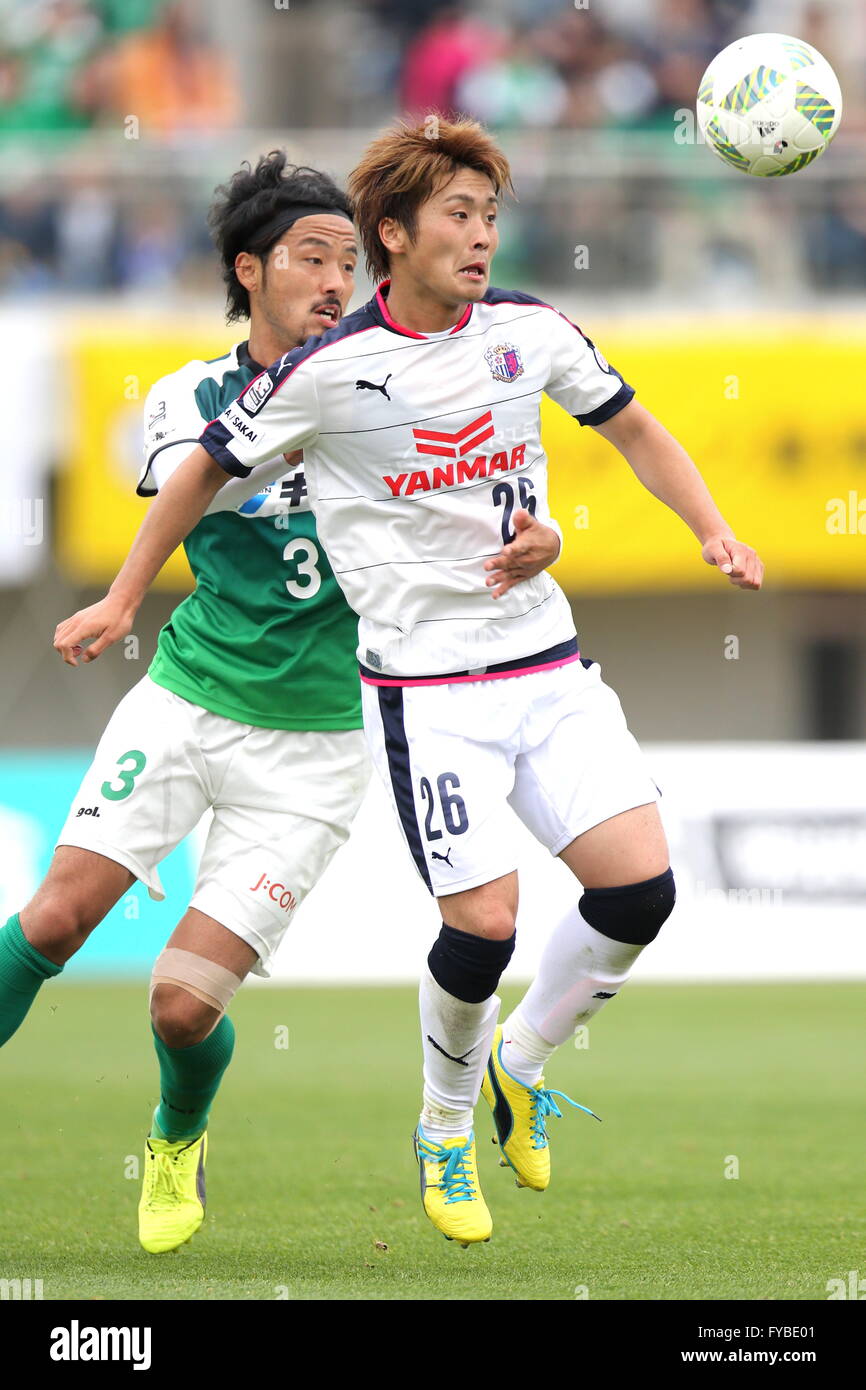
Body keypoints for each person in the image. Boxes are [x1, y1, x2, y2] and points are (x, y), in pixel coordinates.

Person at [51, 117, 763, 1249]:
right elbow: (198, 471)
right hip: (406, 692)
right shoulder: (319, 377)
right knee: (477, 928)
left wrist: (697, 531)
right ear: (395, 235)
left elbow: (626, 431)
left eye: (490, 216)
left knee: (640, 896)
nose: (482, 238)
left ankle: (517, 1067)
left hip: (537, 664)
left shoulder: (529, 331)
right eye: (458, 216)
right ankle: (439, 1128)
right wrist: (126, 596)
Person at [0, 154, 370, 1257]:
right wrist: (120, 597)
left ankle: (176, 1134)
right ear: (247, 270)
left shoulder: (389, 398)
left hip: (312, 749)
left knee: (180, 1004)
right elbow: (200, 478)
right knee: (55, 918)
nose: (334, 280)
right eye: (312, 257)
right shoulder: (184, 396)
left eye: (351, 262)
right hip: (186, 700)